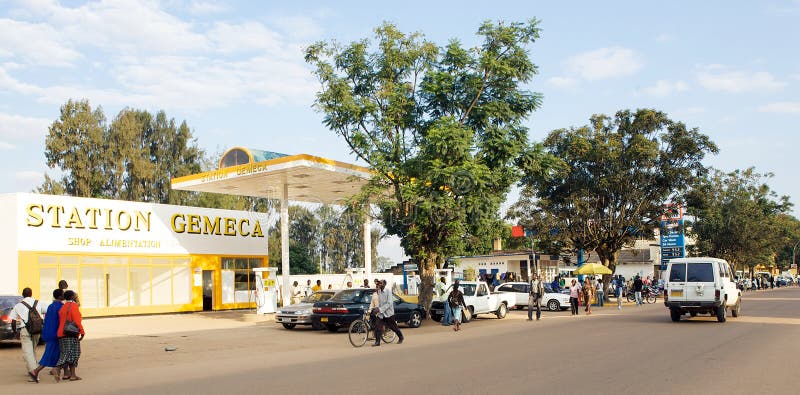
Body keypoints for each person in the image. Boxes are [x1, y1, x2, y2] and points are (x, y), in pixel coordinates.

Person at [10, 287, 47, 382]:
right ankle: (31, 369)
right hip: (37, 330)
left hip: (25, 330)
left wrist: (15, 332)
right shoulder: (39, 303)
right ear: (31, 294)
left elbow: (13, 321)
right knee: (32, 350)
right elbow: (47, 311)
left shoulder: (18, 305)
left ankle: (34, 373)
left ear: (23, 295)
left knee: (28, 352)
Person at [31, 289, 64, 382]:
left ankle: (55, 369)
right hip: (56, 333)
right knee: (50, 353)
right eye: (62, 294)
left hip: (49, 332)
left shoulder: (51, 306)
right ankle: (36, 371)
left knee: (55, 352)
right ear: (60, 296)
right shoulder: (61, 307)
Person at [56, 290, 84, 381]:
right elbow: (77, 320)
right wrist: (82, 332)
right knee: (74, 353)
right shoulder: (73, 306)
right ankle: (57, 368)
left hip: (61, 332)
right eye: (75, 295)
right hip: (70, 333)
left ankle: (72, 375)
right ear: (72, 297)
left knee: (66, 353)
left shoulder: (63, 306)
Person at [373, 280, 403, 346]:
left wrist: (380, 309)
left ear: (384, 284)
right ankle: (377, 342)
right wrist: (377, 308)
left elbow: (389, 303)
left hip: (388, 313)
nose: (379, 284)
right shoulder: (379, 291)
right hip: (381, 314)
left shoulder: (388, 291)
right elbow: (380, 302)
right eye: (379, 283)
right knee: (378, 326)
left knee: (393, 327)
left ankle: (401, 337)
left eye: (381, 283)